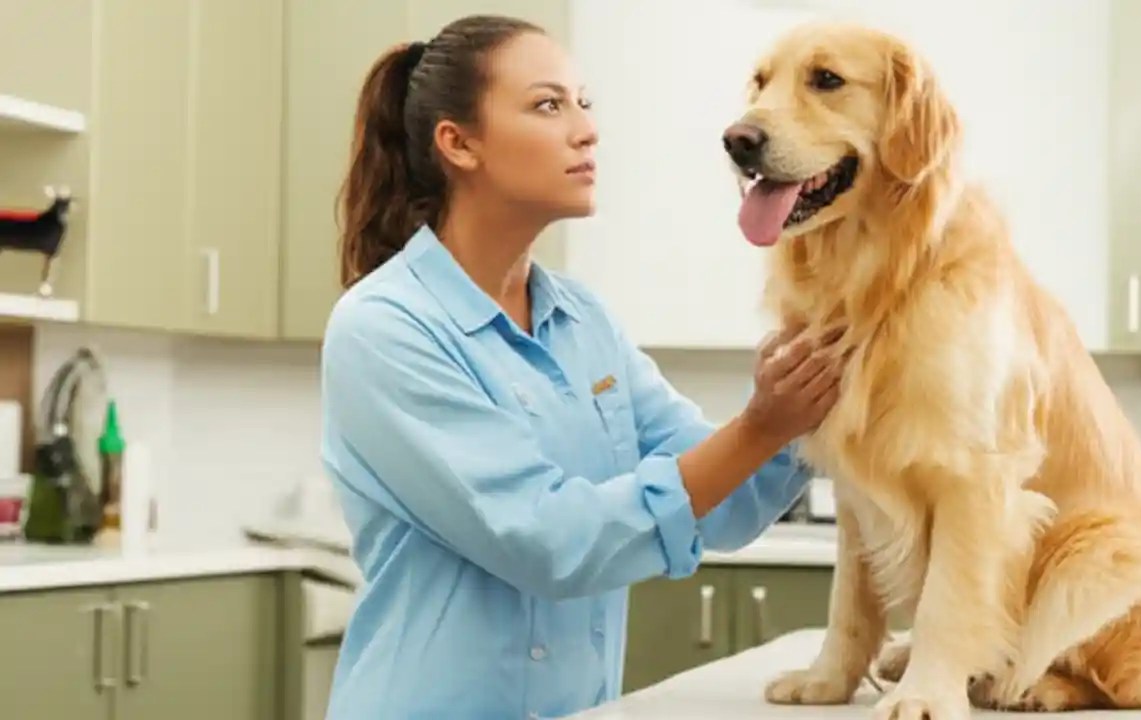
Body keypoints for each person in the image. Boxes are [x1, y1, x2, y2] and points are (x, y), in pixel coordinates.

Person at [319, 13, 847, 719]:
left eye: (583, 103)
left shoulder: (582, 321)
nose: (586, 129)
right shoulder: (384, 328)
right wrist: (762, 425)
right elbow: (550, 542)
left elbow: (724, 505)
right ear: (459, 144)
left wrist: (826, 395)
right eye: (547, 105)